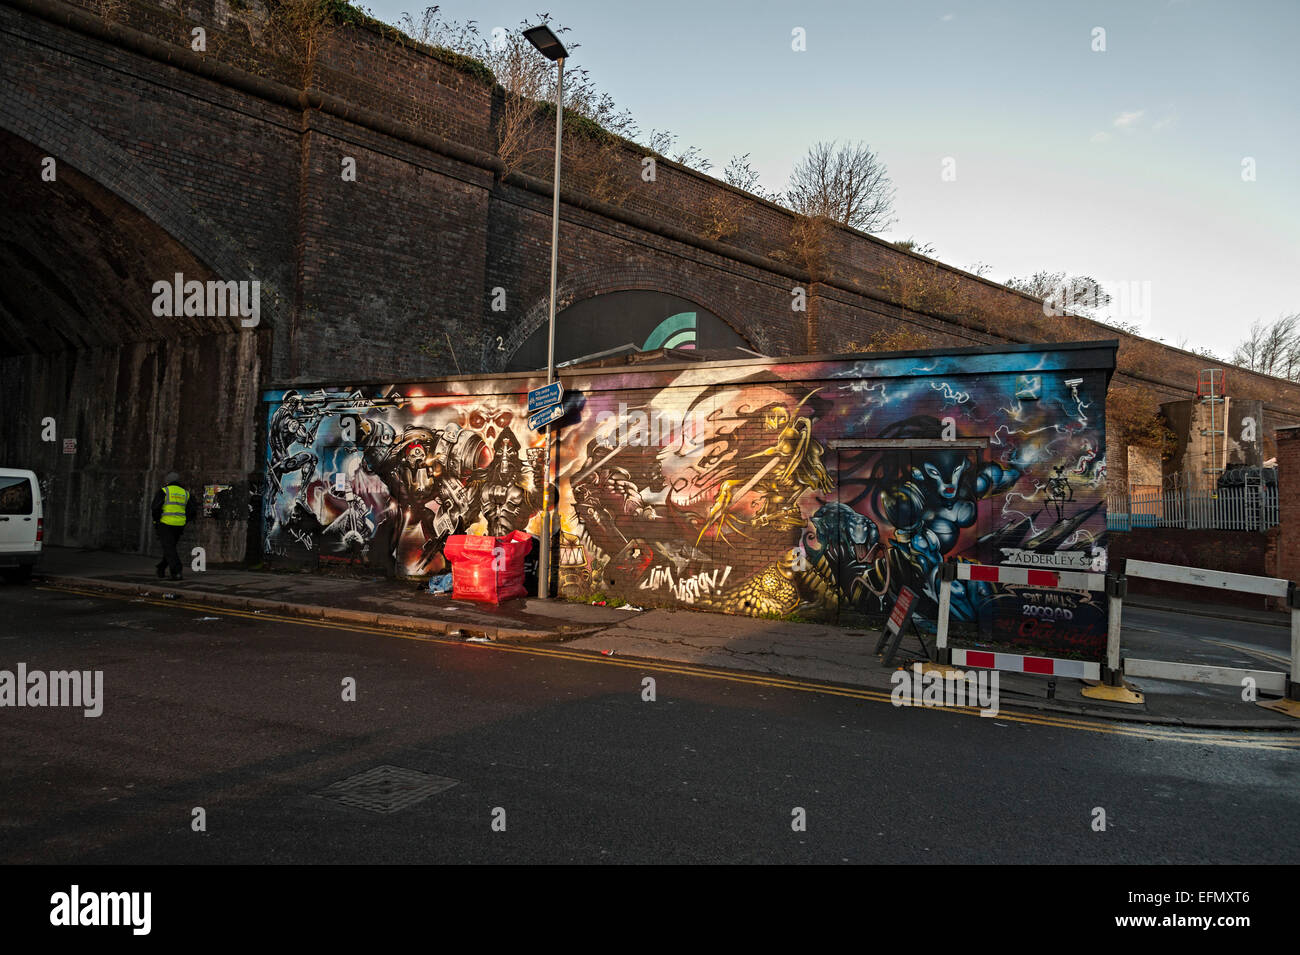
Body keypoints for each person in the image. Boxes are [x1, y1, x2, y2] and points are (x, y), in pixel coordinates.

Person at [151, 471, 197, 580]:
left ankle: (177, 571)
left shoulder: (164, 491)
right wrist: (185, 520)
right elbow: (193, 510)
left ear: (168, 481)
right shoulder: (186, 493)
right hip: (179, 525)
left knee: (169, 548)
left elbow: (155, 508)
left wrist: (156, 521)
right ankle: (161, 567)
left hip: (165, 524)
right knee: (170, 548)